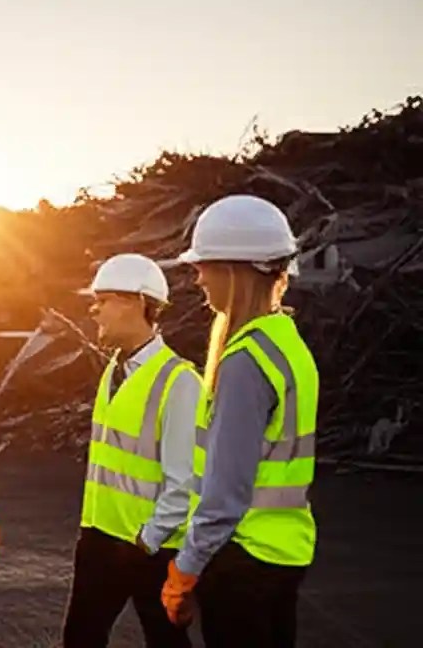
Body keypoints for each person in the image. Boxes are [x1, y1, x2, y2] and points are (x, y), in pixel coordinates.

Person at [160, 194, 318, 648]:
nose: (197, 278)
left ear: (233, 270)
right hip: (283, 551)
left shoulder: (245, 361)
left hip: (241, 560)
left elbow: (225, 496)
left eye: (203, 265)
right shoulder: (287, 344)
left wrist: (184, 570)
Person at [62, 254, 200, 648]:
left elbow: (184, 480)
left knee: (166, 642)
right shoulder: (113, 370)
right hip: (98, 539)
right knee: (80, 639)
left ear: (138, 302)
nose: (94, 310)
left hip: (149, 549)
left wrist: (146, 542)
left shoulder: (179, 381)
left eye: (103, 300)